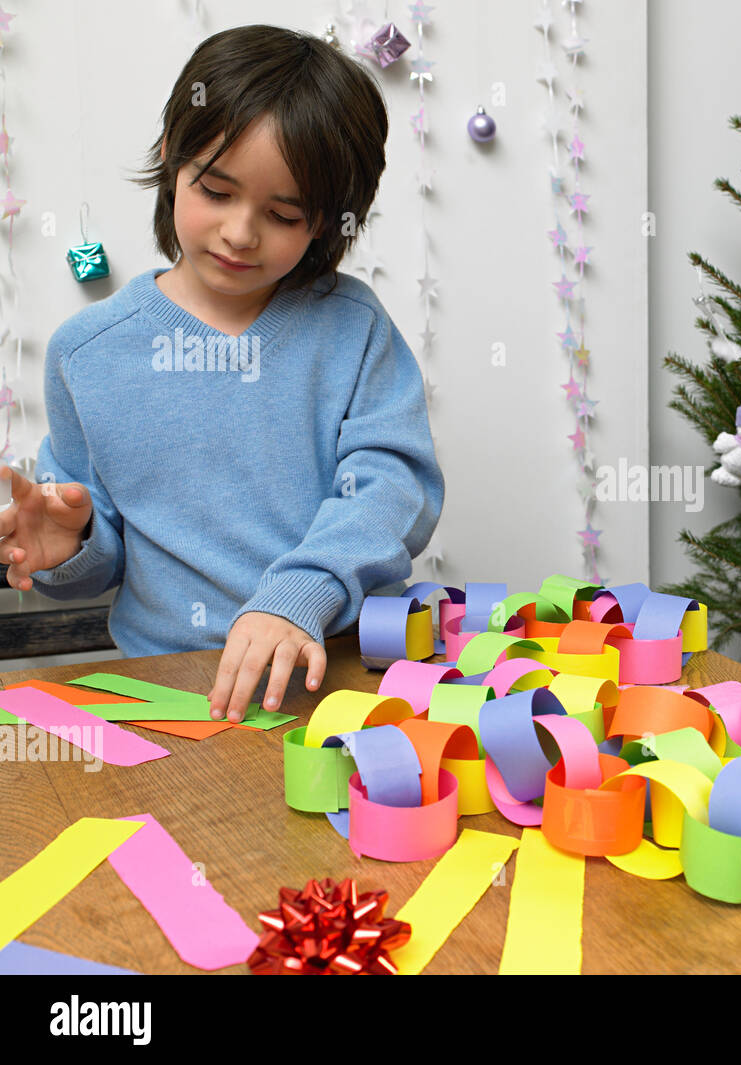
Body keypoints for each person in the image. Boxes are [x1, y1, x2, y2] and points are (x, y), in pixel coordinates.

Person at [0, 26, 444, 723]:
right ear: (172, 165)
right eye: (215, 190)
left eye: (283, 213)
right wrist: (73, 548)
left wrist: (297, 596)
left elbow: (394, 489)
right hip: (172, 696)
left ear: (326, 223)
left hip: (346, 681)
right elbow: (102, 548)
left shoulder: (352, 328)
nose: (240, 232)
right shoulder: (87, 353)